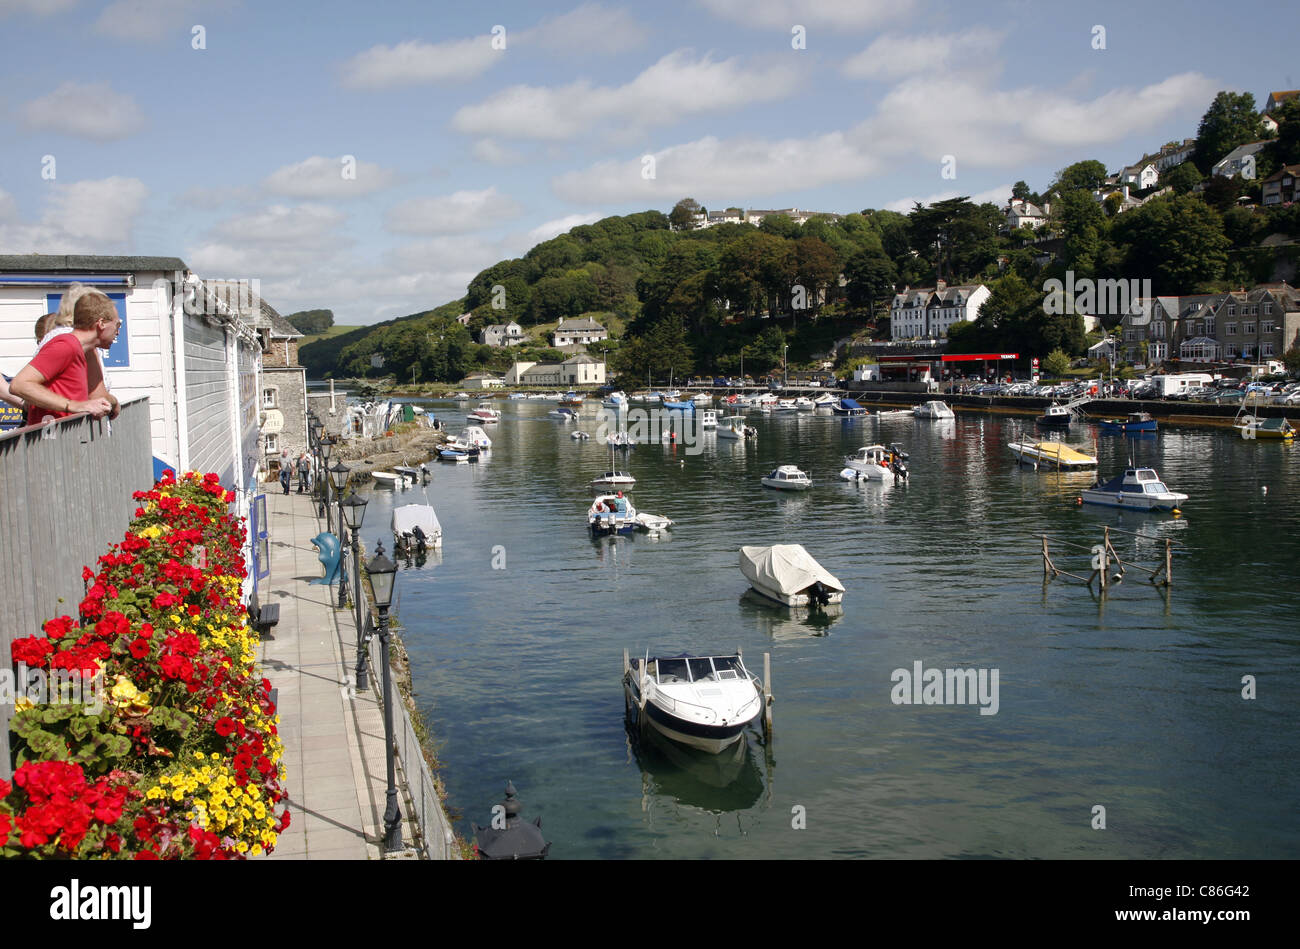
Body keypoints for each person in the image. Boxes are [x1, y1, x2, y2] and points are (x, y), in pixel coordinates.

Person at [9, 295, 117, 424]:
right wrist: (72, 405)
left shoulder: (83, 350)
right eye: (117, 325)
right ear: (101, 323)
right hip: (51, 438)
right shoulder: (66, 346)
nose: (118, 332)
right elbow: (19, 384)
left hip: (65, 438)